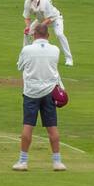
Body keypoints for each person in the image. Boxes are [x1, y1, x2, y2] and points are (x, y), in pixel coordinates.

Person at [14, 21, 67, 171]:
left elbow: (20, 66)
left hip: (31, 92)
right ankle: (57, 162)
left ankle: (23, 161)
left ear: (34, 34)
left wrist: (25, 40)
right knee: (52, 127)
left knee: (28, 126)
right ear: (48, 35)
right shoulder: (55, 50)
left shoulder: (28, 50)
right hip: (49, 92)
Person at [22, 0, 73, 66]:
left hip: (55, 19)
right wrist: (27, 27)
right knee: (27, 33)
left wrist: (39, 28)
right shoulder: (27, 2)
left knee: (59, 34)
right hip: (41, 20)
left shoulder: (45, 1)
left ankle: (69, 59)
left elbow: (49, 19)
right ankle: (25, 58)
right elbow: (27, 17)